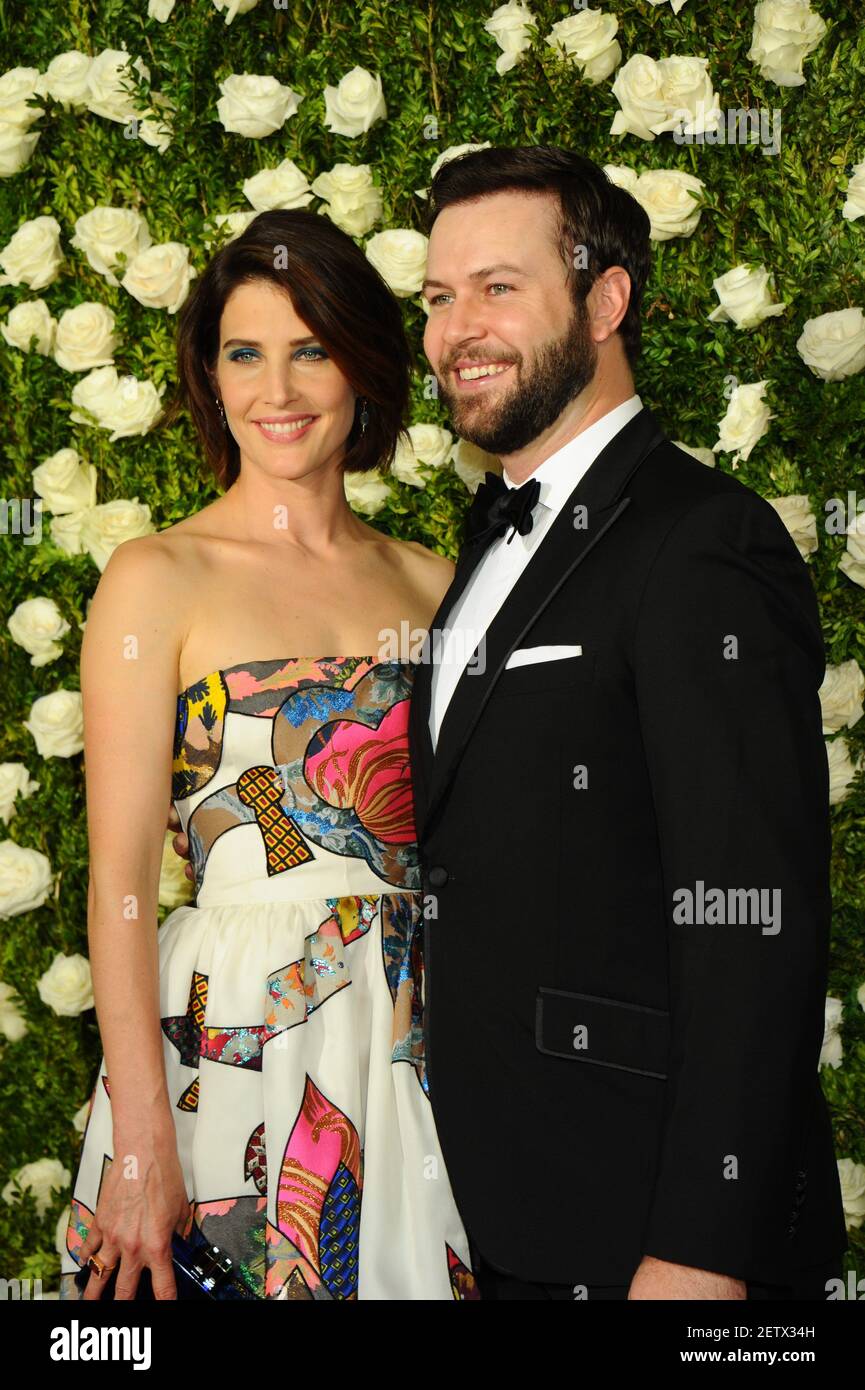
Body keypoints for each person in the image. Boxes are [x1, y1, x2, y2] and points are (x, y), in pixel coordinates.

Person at [405, 145, 846, 1300]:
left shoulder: (703, 540)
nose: (459, 329)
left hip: (649, 1233)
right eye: (440, 298)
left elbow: (753, 916)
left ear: (606, 300)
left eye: (499, 287)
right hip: (501, 1216)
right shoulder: (488, 539)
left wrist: (703, 1246)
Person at [58, 208, 478, 1301]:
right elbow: (116, 889)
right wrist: (143, 1135)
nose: (277, 390)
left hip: (419, 1038)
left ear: (363, 368)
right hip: (228, 1039)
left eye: (311, 349)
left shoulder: (438, 587)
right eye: (244, 352)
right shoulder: (157, 578)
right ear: (210, 374)